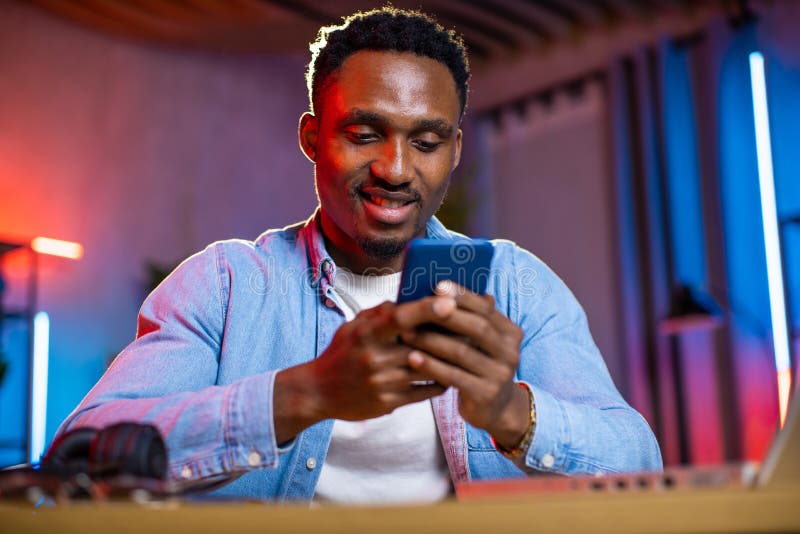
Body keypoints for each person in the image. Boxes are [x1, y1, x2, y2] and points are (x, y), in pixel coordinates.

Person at [57, 7, 662, 504]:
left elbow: (637, 461)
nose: (396, 170)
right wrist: (308, 394)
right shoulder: (224, 284)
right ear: (313, 139)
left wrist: (510, 412)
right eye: (365, 134)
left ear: (454, 150)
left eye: (425, 142)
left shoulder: (516, 286)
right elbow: (82, 454)